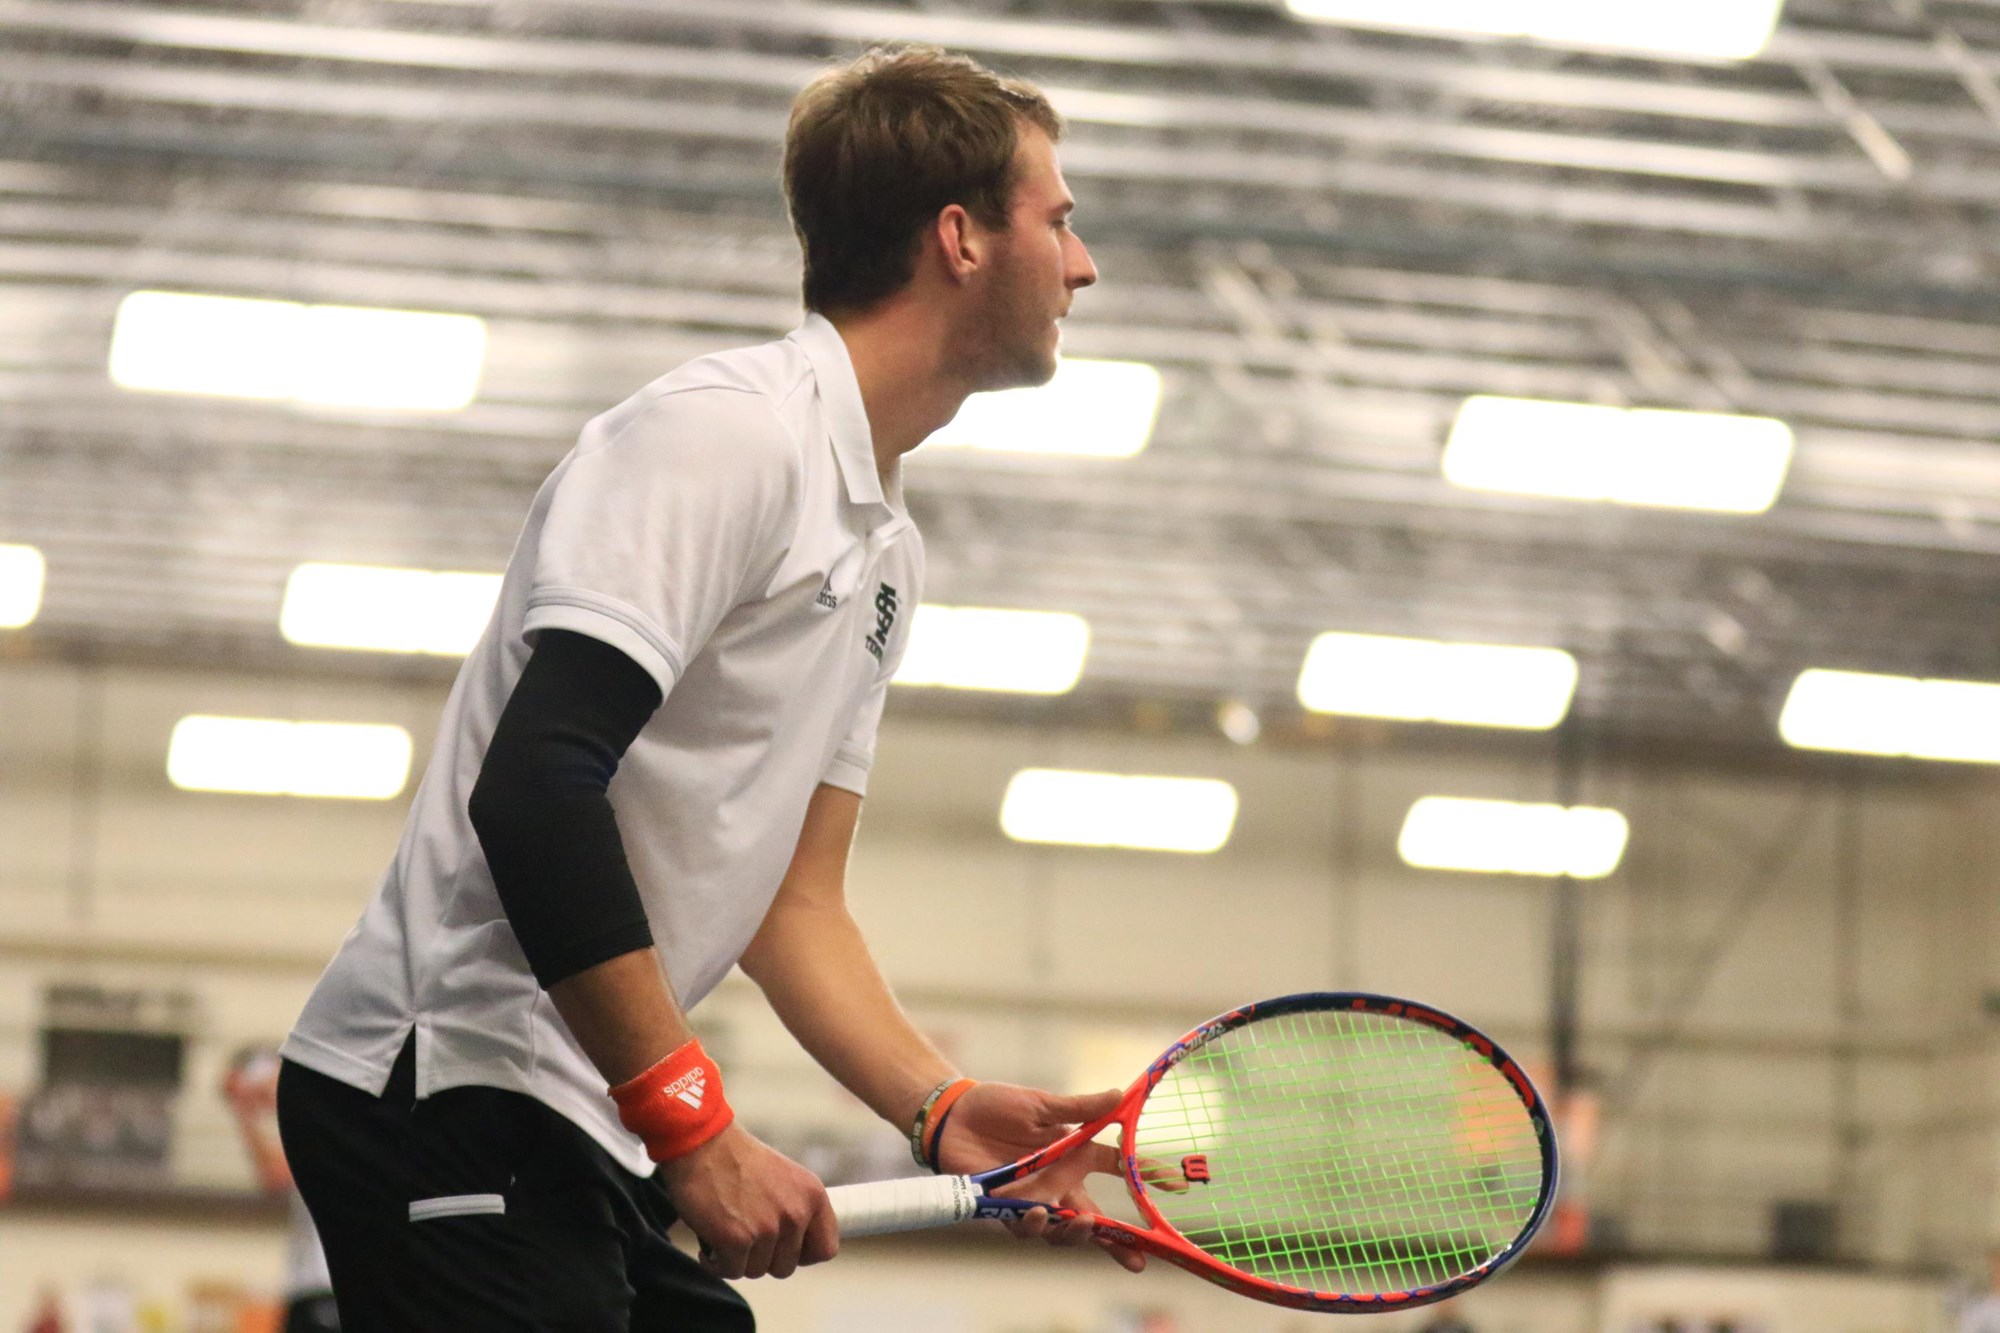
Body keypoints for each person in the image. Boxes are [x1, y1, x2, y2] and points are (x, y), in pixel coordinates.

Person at [274, 43, 1113, 1331]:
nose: (1081, 264)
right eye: (1056, 221)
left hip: (579, 1109)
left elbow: (793, 899)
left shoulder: (886, 545)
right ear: (959, 237)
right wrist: (694, 1125)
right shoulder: (723, 437)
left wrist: (935, 1103)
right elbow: (538, 791)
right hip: (445, 1083)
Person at [221, 1047, 338, 1333]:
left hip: (324, 1286)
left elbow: (275, 1175)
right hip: (317, 1287)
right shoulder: (324, 1125)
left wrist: (243, 1110)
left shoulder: (327, 1127)